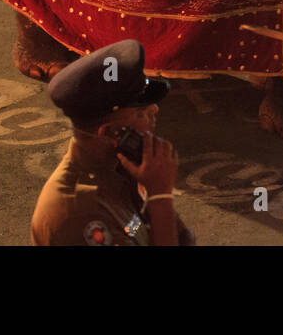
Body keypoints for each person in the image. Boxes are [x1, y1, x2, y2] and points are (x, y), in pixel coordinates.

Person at [31, 40, 194, 246]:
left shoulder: (119, 170)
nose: (155, 110)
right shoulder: (81, 212)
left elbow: (175, 237)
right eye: (140, 112)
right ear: (110, 132)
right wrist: (160, 196)